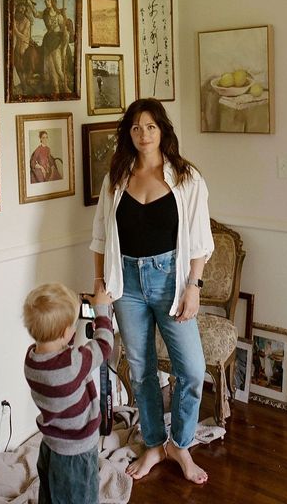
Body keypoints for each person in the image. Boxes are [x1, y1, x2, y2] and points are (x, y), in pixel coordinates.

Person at [90, 97, 214, 485]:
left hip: (170, 280)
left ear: (163, 131)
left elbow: (200, 240)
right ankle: (154, 444)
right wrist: (100, 286)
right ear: (128, 133)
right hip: (125, 284)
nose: (143, 134)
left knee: (191, 370)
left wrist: (193, 287)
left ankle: (181, 443)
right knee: (142, 370)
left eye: (151, 127)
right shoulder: (116, 177)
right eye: (136, 127)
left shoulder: (186, 178)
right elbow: (99, 239)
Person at [23, 282, 114, 504]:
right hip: (77, 453)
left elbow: (61, 347)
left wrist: (67, 330)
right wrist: (101, 310)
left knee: (51, 494)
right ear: (65, 333)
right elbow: (104, 344)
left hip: (51, 445)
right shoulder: (73, 365)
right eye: (72, 327)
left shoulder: (31, 360)